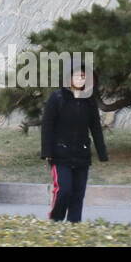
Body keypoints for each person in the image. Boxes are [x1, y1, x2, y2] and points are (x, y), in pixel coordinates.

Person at [40, 65, 108, 223]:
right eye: (77, 76)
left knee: (78, 194)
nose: (80, 79)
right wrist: (47, 151)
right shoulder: (57, 98)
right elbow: (47, 126)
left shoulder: (89, 100)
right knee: (63, 190)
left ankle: (74, 226)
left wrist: (102, 153)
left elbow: (96, 128)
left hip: (82, 154)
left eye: (83, 76)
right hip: (60, 154)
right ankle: (55, 221)